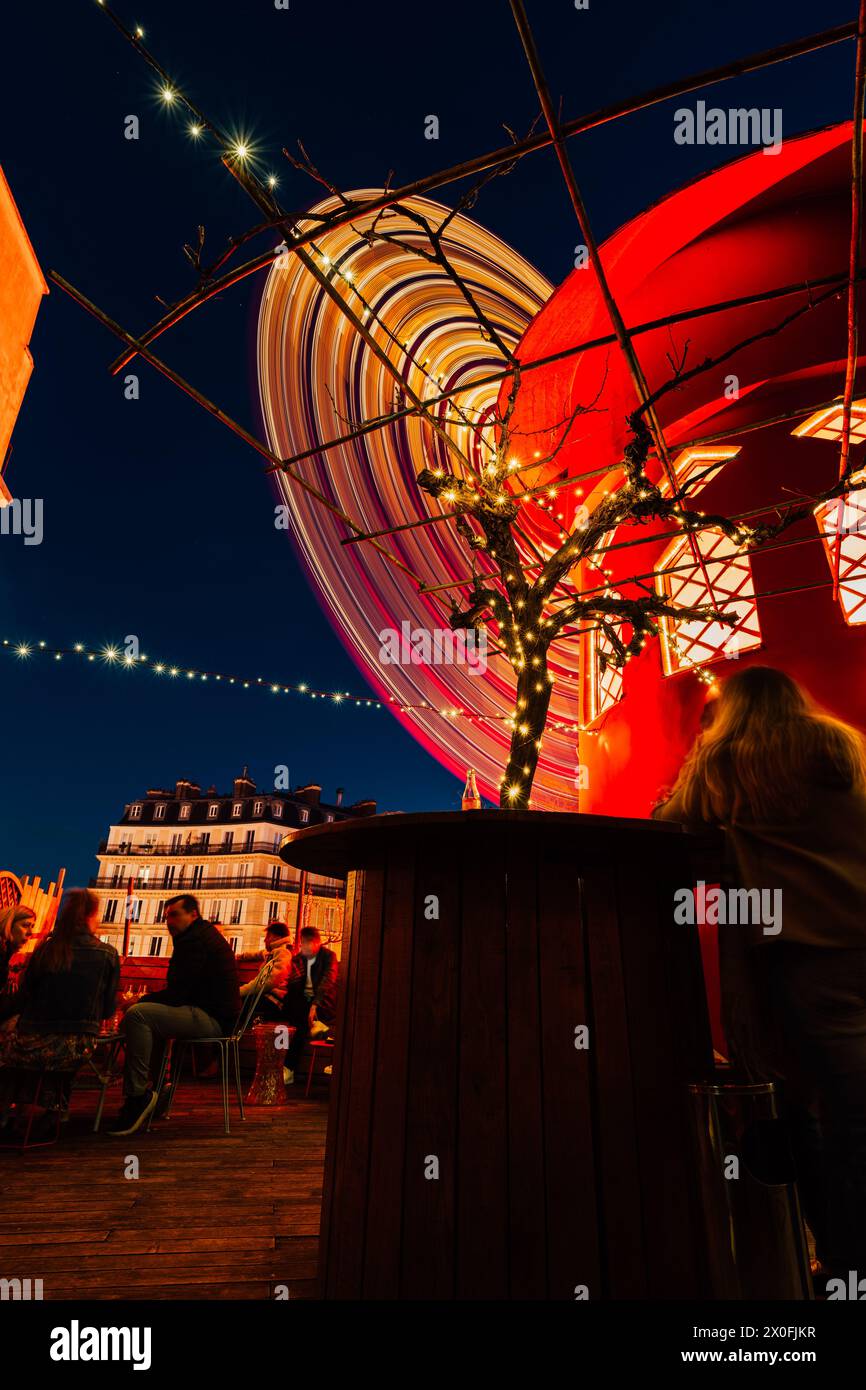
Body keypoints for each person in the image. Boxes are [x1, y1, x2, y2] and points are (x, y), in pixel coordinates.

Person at [654, 665, 866, 1281]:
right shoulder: (844, 748)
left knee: (844, 1118)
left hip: (810, 956)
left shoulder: (728, 762)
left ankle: (846, 1272)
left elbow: (670, 828)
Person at [108, 893, 240, 1136]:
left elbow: (178, 994)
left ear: (193, 914)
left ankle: (138, 1097)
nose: (168, 921)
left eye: (174, 915)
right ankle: (156, 1092)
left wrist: (140, 1000)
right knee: (151, 1019)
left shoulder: (194, 941)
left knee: (138, 1015)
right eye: (167, 915)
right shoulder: (200, 936)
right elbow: (181, 992)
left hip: (212, 1019)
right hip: (216, 1014)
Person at [0, 889, 119, 1126]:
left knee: (10, 1046)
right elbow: (107, 1011)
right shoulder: (108, 954)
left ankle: (8, 1107)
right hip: (77, 1047)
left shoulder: (46, 950)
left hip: (31, 1045)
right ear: (90, 916)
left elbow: (24, 998)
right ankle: (56, 1106)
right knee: (62, 1047)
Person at [281, 927, 337, 1085]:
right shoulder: (299, 958)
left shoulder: (328, 957)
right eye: (303, 942)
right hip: (301, 1007)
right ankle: (283, 1065)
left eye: (307, 942)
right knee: (287, 1023)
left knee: (297, 1023)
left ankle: (287, 1067)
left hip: (322, 1005)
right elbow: (293, 985)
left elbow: (327, 983)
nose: (304, 946)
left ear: (317, 942)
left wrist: (314, 1006)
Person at [238, 922, 294, 1021]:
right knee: (236, 1003)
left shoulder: (283, 953)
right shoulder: (273, 952)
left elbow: (267, 983)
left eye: (268, 936)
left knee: (237, 1002)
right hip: (267, 996)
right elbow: (255, 954)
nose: (264, 940)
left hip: (275, 1001)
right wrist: (236, 956)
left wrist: (239, 991)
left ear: (276, 937)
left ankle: (233, 1033)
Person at [0, 904, 36, 996]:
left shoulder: (6, 952)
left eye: (32, 926)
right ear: (9, 924)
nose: (30, 933)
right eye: (25, 925)